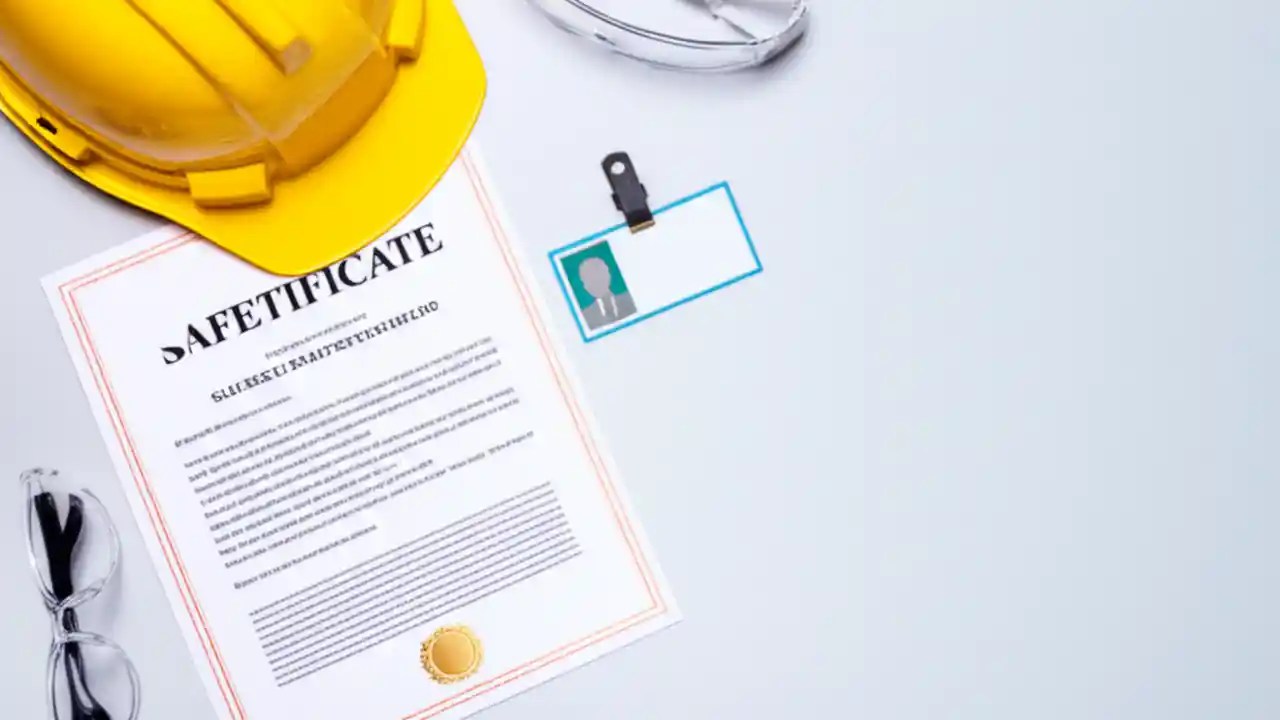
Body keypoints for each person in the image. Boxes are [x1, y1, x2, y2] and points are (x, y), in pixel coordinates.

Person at [578, 257, 637, 330]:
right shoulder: (585, 318)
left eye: (595, 276)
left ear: (607, 275)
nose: (591, 283)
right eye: (586, 279)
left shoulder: (631, 299)